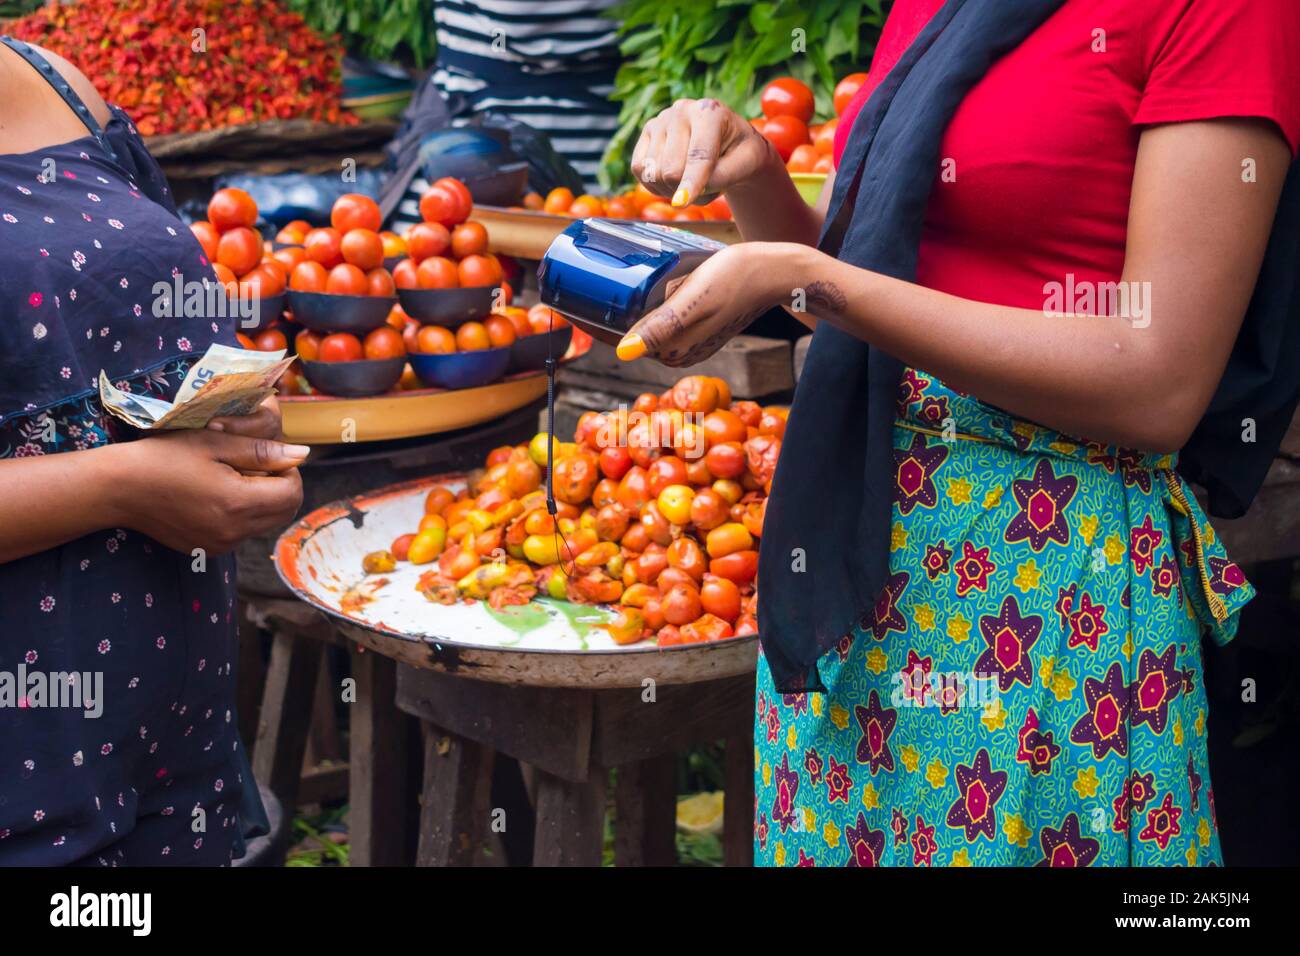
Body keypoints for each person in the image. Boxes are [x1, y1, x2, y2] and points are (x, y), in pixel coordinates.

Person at [622, 0, 1299, 865]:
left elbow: (1157, 380)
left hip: (1043, 583)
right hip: (862, 557)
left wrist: (809, 279)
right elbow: (853, 278)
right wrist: (754, 173)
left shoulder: (1225, 13)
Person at [0, 36, 304, 865]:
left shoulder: (57, 84)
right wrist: (120, 486)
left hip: (175, 742)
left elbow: (140, 346)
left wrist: (228, 422)